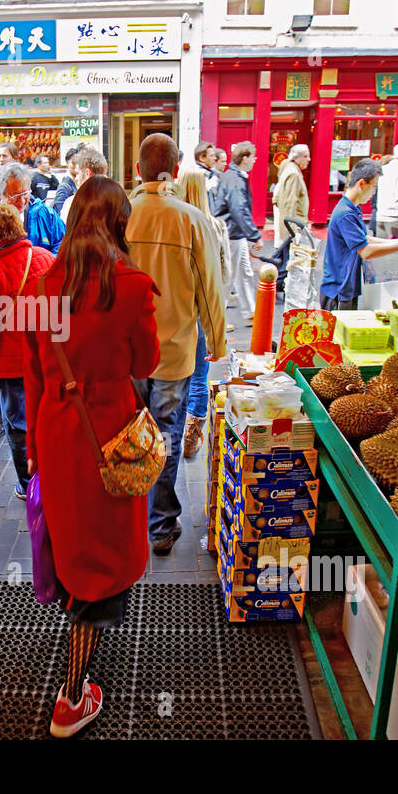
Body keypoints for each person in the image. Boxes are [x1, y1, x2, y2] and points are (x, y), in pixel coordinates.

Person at [22, 175, 160, 738]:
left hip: (57, 433)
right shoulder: (130, 287)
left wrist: (32, 449)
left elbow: (31, 379)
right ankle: (71, 697)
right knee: (106, 552)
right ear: (119, 224)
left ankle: (81, 616)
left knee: (75, 539)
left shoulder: (40, 289)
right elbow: (146, 364)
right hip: (111, 435)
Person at [125, 133, 226, 555]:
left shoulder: (121, 214)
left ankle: (127, 519)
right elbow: (210, 290)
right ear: (176, 171)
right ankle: (161, 526)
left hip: (127, 354)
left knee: (129, 434)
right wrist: (217, 342)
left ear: (136, 171)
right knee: (164, 436)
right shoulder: (191, 219)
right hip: (175, 353)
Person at [0, 204, 55, 499]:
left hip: (14, 367)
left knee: (19, 427)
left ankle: (30, 487)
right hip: (50, 359)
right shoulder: (45, 258)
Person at [175, 171, 233, 460]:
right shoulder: (214, 226)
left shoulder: (174, 223)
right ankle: (191, 435)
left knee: (176, 375)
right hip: (202, 309)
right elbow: (223, 276)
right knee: (199, 375)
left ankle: (172, 431)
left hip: (177, 309)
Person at [320, 161, 398, 311]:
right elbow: (366, 251)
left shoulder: (352, 208)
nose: (374, 192)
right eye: (374, 186)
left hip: (346, 286)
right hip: (338, 289)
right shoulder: (345, 213)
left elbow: (364, 239)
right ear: (362, 184)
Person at [0, 162, 64, 299]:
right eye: (15, 196)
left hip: (38, 299)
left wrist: (46, 270)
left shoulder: (45, 215)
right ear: (0, 195)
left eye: (25, 193)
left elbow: (63, 244)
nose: (22, 201)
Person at [222, 142, 262, 324]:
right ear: (245, 158)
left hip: (236, 234)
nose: (255, 160)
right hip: (233, 234)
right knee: (228, 277)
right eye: (253, 156)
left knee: (244, 272)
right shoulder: (235, 179)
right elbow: (238, 209)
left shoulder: (233, 176)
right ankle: (219, 317)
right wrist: (254, 235)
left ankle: (250, 312)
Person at [273, 143, 310, 245]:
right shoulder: (293, 173)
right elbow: (290, 203)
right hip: (295, 226)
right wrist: (291, 232)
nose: (309, 159)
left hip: (293, 225)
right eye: (306, 156)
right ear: (296, 157)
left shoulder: (289, 168)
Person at [61, 146, 107, 222]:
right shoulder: (118, 202)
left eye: (78, 173)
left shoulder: (72, 204)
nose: (76, 178)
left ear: (87, 173)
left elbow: (64, 232)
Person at [53, 144, 82, 217]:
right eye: (73, 163)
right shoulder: (64, 187)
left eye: (78, 163)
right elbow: (59, 213)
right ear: (67, 164)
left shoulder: (79, 182)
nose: (76, 166)